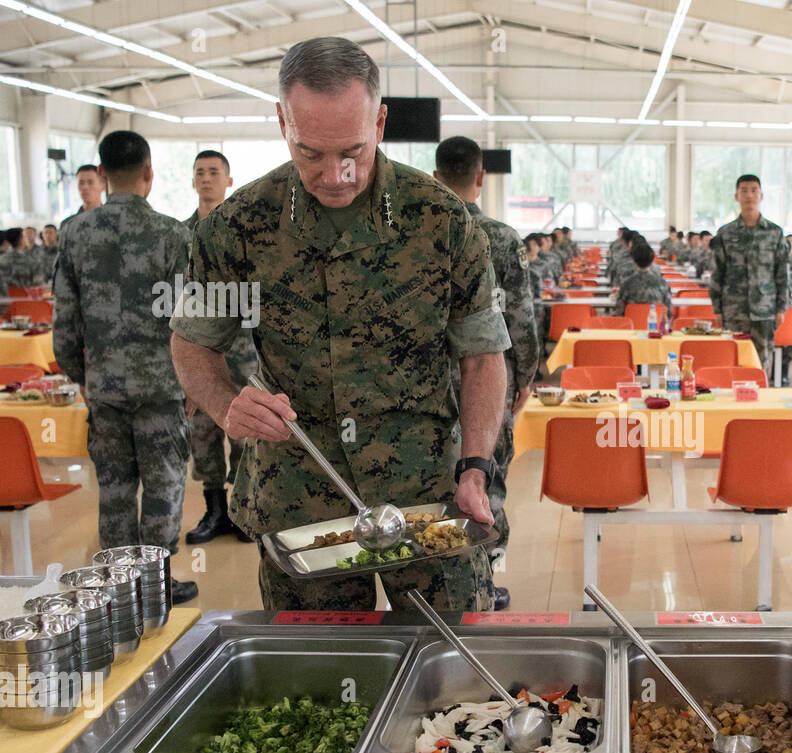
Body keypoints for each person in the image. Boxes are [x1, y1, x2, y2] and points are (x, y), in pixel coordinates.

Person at [170, 36, 510, 613]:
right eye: (311, 154)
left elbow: (482, 355)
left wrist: (476, 467)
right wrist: (228, 404)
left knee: (456, 672)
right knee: (321, 676)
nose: (335, 174)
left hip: (426, 488)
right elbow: (193, 345)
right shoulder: (238, 227)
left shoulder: (442, 221)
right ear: (282, 122)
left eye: (351, 149)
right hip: (301, 494)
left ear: (379, 121)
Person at [53, 131, 199, 604]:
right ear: (150, 172)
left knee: (114, 488)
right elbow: (192, 316)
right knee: (164, 485)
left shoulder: (75, 233)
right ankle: (156, 584)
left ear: (102, 175)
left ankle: (118, 588)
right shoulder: (174, 234)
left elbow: (65, 317)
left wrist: (82, 374)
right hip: (162, 386)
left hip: (106, 387)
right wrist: (197, 382)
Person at [435, 134, 539, 611]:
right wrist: (526, 375)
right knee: (485, 474)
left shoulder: (417, 235)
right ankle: (486, 581)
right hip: (489, 382)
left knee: (434, 478)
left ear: (436, 178)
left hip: (429, 386)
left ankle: (435, 577)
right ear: (480, 178)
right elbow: (521, 317)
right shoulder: (501, 238)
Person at [182, 150, 258, 545]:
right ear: (192, 181)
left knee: (247, 432)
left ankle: (242, 510)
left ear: (229, 180)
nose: (206, 178)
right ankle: (213, 510)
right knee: (203, 434)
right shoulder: (181, 236)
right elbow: (168, 306)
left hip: (244, 353)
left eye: (214, 172)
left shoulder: (245, 233)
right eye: (200, 172)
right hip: (196, 352)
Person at [708, 173, 788, 373]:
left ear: (761, 195)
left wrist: (781, 308)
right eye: (744, 191)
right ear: (736, 196)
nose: (749, 195)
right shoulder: (725, 233)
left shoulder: (775, 233)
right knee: (733, 362)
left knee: (761, 365)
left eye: (754, 190)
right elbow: (717, 273)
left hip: (765, 309)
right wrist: (717, 309)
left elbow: (782, 274)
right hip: (734, 310)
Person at [615, 240, 672, 322]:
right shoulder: (663, 284)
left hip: (632, 328)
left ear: (634, 260)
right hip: (655, 328)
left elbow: (619, 313)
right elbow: (668, 312)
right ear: (652, 260)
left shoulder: (626, 284)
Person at [59, 165, 105, 230]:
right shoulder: (68, 224)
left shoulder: (111, 220)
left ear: (103, 186)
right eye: (81, 183)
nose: (85, 187)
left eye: (90, 182)